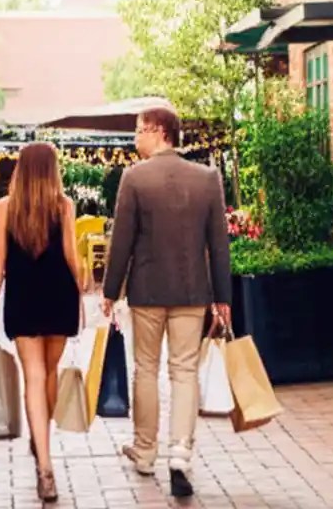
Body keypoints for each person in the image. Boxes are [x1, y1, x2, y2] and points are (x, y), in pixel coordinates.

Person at [101, 107, 232, 499]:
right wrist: (223, 298)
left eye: (139, 131)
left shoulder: (135, 178)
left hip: (147, 291)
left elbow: (121, 241)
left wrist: (110, 291)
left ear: (159, 131)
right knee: (184, 371)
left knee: (145, 369)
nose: (135, 138)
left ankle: (144, 452)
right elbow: (219, 244)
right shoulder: (207, 178)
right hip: (193, 292)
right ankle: (180, 454)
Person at [0, 142, 84, 502]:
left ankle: (45, 467)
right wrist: (83, 291)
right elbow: (72, 257)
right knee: (49, 373)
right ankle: (43, 446)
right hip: (59, 296)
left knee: (35, 377)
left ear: (22, 169)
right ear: (52, 169)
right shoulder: (64, 205)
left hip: (23, 297)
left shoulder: (5, 208)